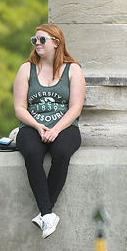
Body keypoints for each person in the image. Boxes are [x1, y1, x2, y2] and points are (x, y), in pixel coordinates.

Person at [12, 23, 85, 239]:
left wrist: (56, 129)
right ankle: (48, 214)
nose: (37, 44)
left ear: (56, 42)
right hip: (32, 126)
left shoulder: (73, 70)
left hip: (65, 126)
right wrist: (37, 125)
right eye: (35, 40)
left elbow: (76, 107)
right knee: (32, 153)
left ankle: (45, 213)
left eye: (42, 39)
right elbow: (19, 108)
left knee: (61, 152)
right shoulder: (26, 69)